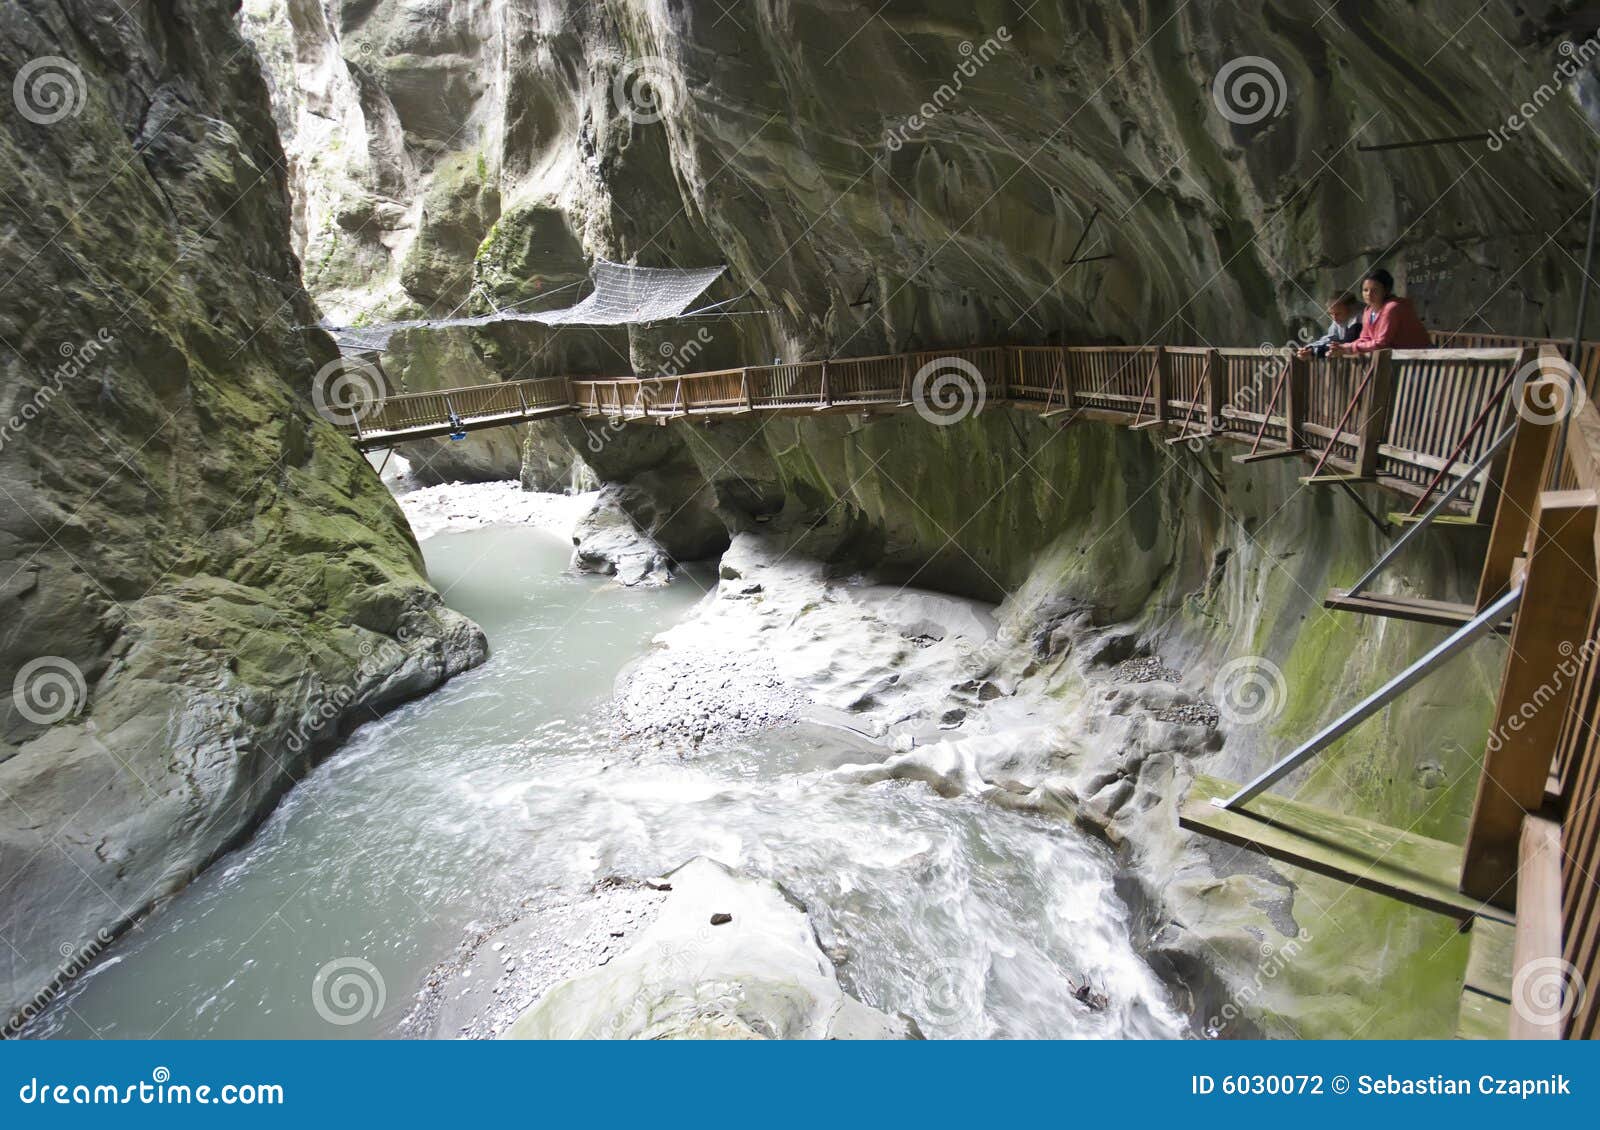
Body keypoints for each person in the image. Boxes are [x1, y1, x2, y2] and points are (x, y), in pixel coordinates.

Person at [1329, 268, 1430, 355]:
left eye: (1375, 290)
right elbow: (1365, 338)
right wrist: (1343, 346)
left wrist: (1349, 348)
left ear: (1386, 290)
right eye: (1365, 290)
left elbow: (1382, 343)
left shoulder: (1392, 308)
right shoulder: (1368, 311)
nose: (1369, 294)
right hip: (1398, 361)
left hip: (1419, 360)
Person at [1297, 294, 1362, 359]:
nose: (1334, 318)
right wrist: (1309, 349)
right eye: (1331, 314)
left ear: (1351, 309)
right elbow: (1330, 338)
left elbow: (1346, 343)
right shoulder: (1339, 319)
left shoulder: (1359, 319)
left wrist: (1314, 351)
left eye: (1338, 314)